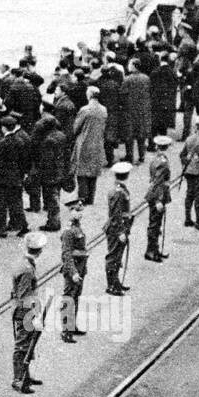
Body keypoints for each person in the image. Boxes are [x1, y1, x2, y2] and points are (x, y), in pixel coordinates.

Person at [11, 233, 46, 394]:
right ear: (39, 251)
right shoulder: (27, 269)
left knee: (27, 344)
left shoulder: (26, 263)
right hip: (25, 311)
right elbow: (24, 296)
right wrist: (34, 316)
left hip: (24, 310)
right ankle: (19, 379)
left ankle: (25, 376)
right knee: (23, 345)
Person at [30, 113, 67, 233]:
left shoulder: (48, 140)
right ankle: (53, 220)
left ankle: (53, 222)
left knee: (52, 198)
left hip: (50, 173)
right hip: (60, 170)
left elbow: (47, 159)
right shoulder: (61, 135)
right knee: (55, 196)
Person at [70, 86, 107, 206]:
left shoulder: (85, 110)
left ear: (89, 95)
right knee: (93, 172)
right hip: (97, 143)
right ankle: (91, 198)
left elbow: (76, 128)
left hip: (84, 143)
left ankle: (82, 198)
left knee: (82, 172)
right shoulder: (103, 109)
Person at [59, 205, 89, 343]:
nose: (80, 214)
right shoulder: (69, 231)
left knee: (75, 297)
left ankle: (72, 326)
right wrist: (74, 273)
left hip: (80, 268)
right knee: (69, 298)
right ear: (70, 211)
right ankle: (66, 331)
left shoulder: (77, 227)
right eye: (76, 211)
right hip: (73, 270)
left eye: (81, 211)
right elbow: (66, 254)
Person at [103, 162, 133, 296]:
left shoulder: (120, 189)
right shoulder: (118, 192)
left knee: (117, 256)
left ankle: (115, 282)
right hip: (116, 229)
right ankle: (111, 286)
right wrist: (121, 232)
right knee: (113, 257)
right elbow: (116, 214)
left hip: (120, 227)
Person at [145, 136, 173, 262]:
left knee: (155, 223)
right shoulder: (162, 162)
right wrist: (158, 200)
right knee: (154, 224)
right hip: (158, 195)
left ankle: (154, 249)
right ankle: (151, 251)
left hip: (157, 193)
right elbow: (157, 181)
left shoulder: (156, 159)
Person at [121, 59, 152, 164]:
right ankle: (142, 156)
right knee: (141, 133)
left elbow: (123, 93)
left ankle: (129, 156)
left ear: (134, 66)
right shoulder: (146, 78)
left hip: (130, 110)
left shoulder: (127, 79)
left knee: (129, 134)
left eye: (130, 64)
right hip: (143, 109)